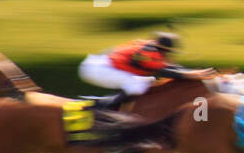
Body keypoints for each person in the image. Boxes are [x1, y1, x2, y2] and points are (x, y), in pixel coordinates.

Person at [79, 31, 212, 108]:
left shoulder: (153, 49)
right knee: (137, 85)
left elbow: (172, 68)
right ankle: (99, 106)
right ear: (163, 49)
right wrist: (190, 75)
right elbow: (164, 71)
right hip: (96, 69)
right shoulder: (148, 52)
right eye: (168, 52)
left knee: (145, 82)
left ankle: (113, 107)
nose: (168, 56)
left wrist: (193, 73)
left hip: (103, 65)